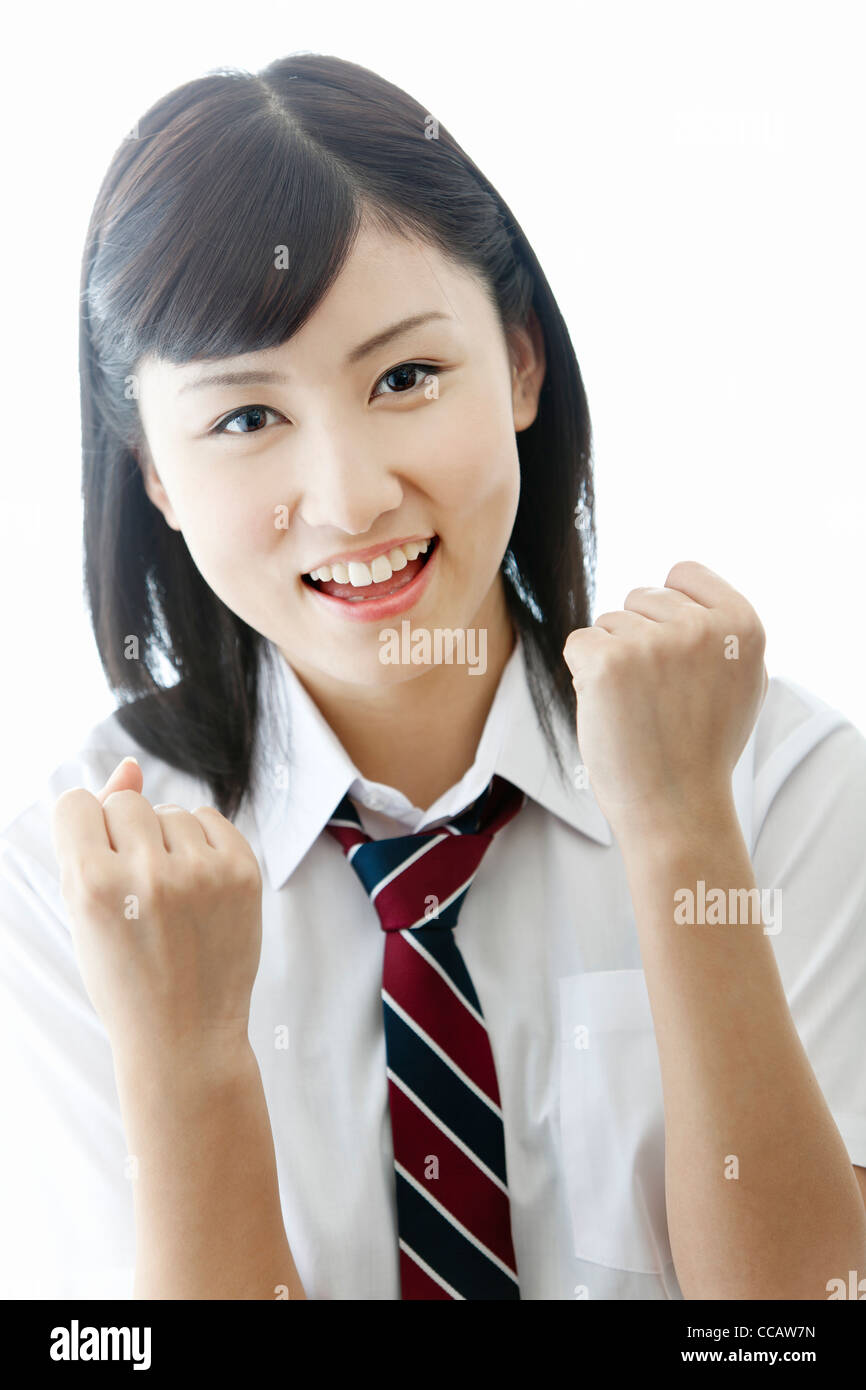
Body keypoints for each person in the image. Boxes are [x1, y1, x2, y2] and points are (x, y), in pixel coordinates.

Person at [1, 52, 865, 1302]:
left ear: (520, 366)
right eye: (245, 419)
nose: (350, 496)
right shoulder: (63, 887)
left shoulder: (780, 783)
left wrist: (683, 835)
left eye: (405, 377)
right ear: (155, 476)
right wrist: (191, 1070)